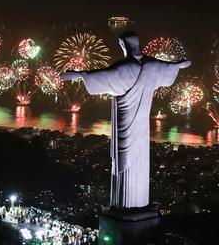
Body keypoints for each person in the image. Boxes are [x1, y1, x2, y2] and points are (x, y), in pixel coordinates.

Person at [61, 31, 191, 208]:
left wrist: (81, 75)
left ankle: (124, 207)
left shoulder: (125, 69)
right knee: (139, 162)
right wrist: (178, 65)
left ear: (123, 45)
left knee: (124, 161)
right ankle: (137, 206)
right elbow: (168, 67)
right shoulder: (152, 66)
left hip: (125, 123)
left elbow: (103, 76)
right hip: (142, 128)